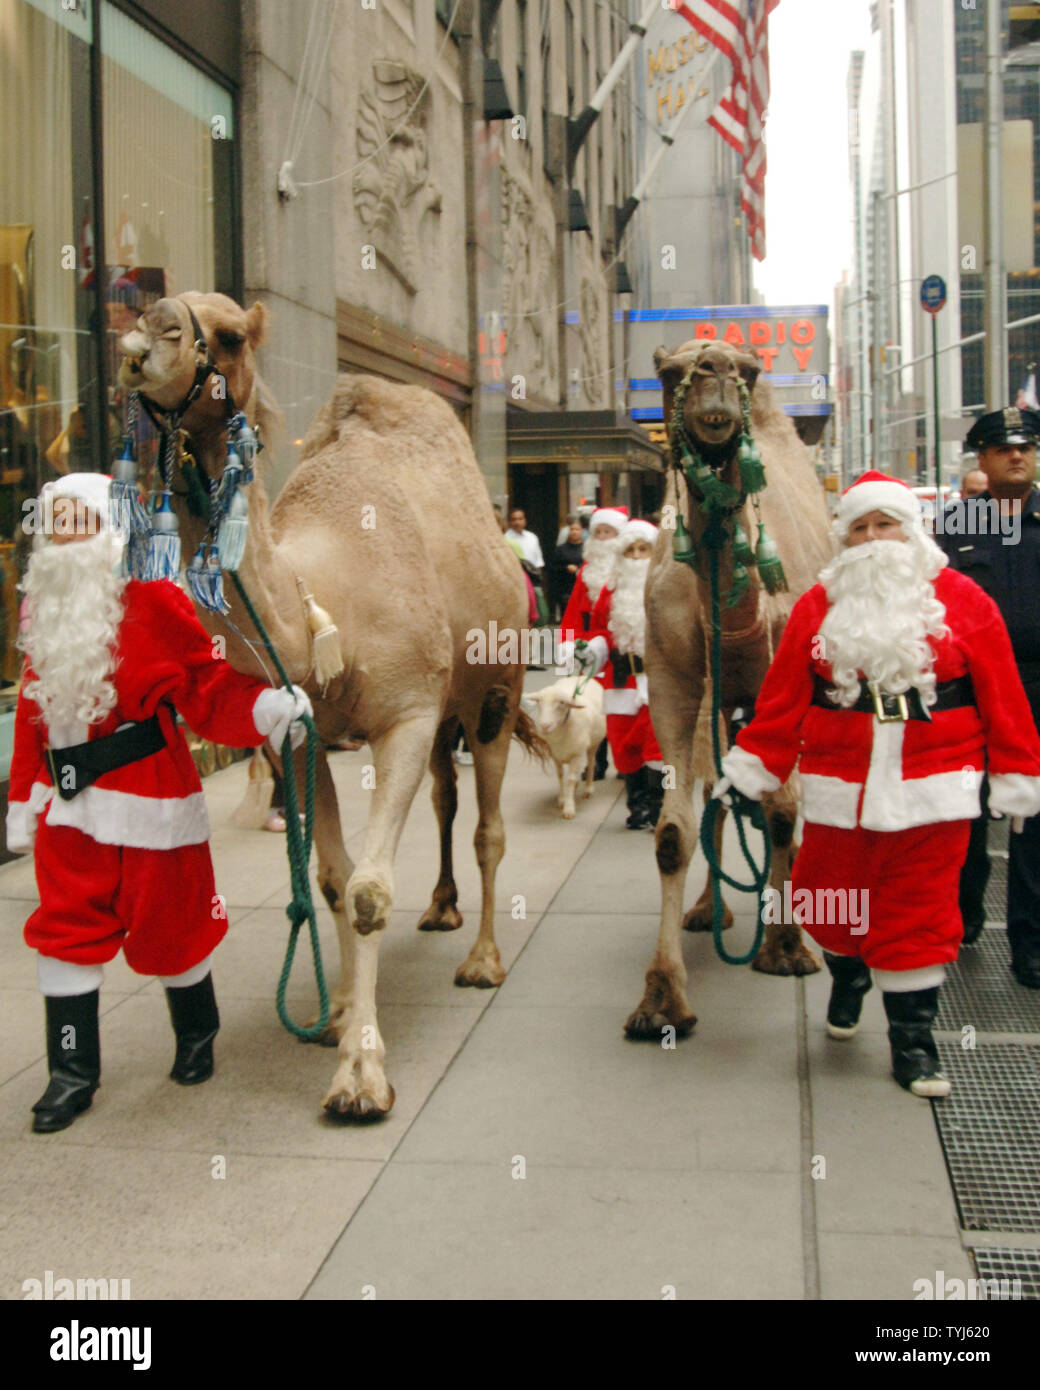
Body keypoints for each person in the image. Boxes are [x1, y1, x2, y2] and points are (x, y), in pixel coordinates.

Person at [714, 472, 1040, 1097]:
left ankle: (912, 1046)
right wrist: (752, 768)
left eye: (884, 524)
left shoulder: (964, 599)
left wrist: (1017, 772)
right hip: (842, 784)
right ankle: (848, 971)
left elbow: (1004, 693)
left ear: (910, 529)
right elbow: (782, 699)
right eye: (859, 527)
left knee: (918, 910)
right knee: (823, 897)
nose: (872, 539)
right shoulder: (818, 605)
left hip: (936, 787)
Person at [6, 473, 312, 1133]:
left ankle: (197, 1033)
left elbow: (205, 687)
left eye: (76, 520)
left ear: (109, 529)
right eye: (53, 521)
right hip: (68, 815)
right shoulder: (45, 615)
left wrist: (265, 709)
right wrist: (23, 803)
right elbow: (33, 725)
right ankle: (71, 1072)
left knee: (173, 926)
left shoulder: (154, 600)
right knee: (65, 935)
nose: (61, 533)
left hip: (151, 803)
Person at [938, 408, 1040, 987]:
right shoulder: (952, 530)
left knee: (1035, 821)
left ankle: (1030, 942)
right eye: (1003, 450)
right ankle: (961, 916)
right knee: (963, 814)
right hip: (969, 696)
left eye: (1025, 447)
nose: (1017, 456)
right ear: (982, 460)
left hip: (1036, 686)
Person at [577, 519, 665, 829]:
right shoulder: (608, 593)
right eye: (632, 551)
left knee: (657, 745)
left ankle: (659, 808)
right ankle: (636, 807)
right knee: (624, 745)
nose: (638, 557)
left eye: (644, 550)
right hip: (621, 680)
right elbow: (599, 628)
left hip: (659, 680)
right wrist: (593, 650)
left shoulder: (667, 590)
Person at [559, 506, 627, 781]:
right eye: (598, 532)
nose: (602, 537)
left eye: (608, 532)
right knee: (591, 706)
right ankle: (594, 762)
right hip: (590, 644)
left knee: (622, 706)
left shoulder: (630, 567)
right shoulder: (586, 570)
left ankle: (627, 763)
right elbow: (574, 610)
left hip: (621, 645)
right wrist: (568, 642)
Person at [551, 520, 586, 619]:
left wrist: (579, 568)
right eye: (572, 529)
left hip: (582, 589)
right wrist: (566, 568)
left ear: (582, 531)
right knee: (568, 617)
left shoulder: (587, 548)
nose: (574, 532)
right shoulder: (561, 549)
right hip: (565, 589)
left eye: (577, 529)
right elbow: (553, 567)